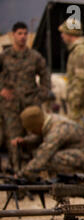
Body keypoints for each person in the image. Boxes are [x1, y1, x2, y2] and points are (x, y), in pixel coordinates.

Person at [0, 21, 51, 173]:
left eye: (25, 33)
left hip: (31, 104)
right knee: (13, 140)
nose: (22, 37)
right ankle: (16, 176)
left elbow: (45, 74)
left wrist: (42, 94)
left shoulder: (34, 57)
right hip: (10, 105)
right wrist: (1, 89)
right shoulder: (5, 56)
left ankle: (31, 175)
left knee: (33, 139)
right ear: (13, 35)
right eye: (19, 34)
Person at [13, 106, 84, 181]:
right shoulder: (49, 120)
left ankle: (81, 179)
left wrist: (22, 174)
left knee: (51, 159)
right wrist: (25, 141)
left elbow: (43, 155)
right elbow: (41, 136)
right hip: (83, 152)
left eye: (32, 131)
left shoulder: (57, 130)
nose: (32, 133)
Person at [58, 18, 84, 128]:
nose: (62, 35)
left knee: (81, 137)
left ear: (70, 33)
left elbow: (82, 81)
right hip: (81, 105)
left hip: (81, 107)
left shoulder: (81, 51)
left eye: (63, 32)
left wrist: (75, 103)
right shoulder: (78, 50)